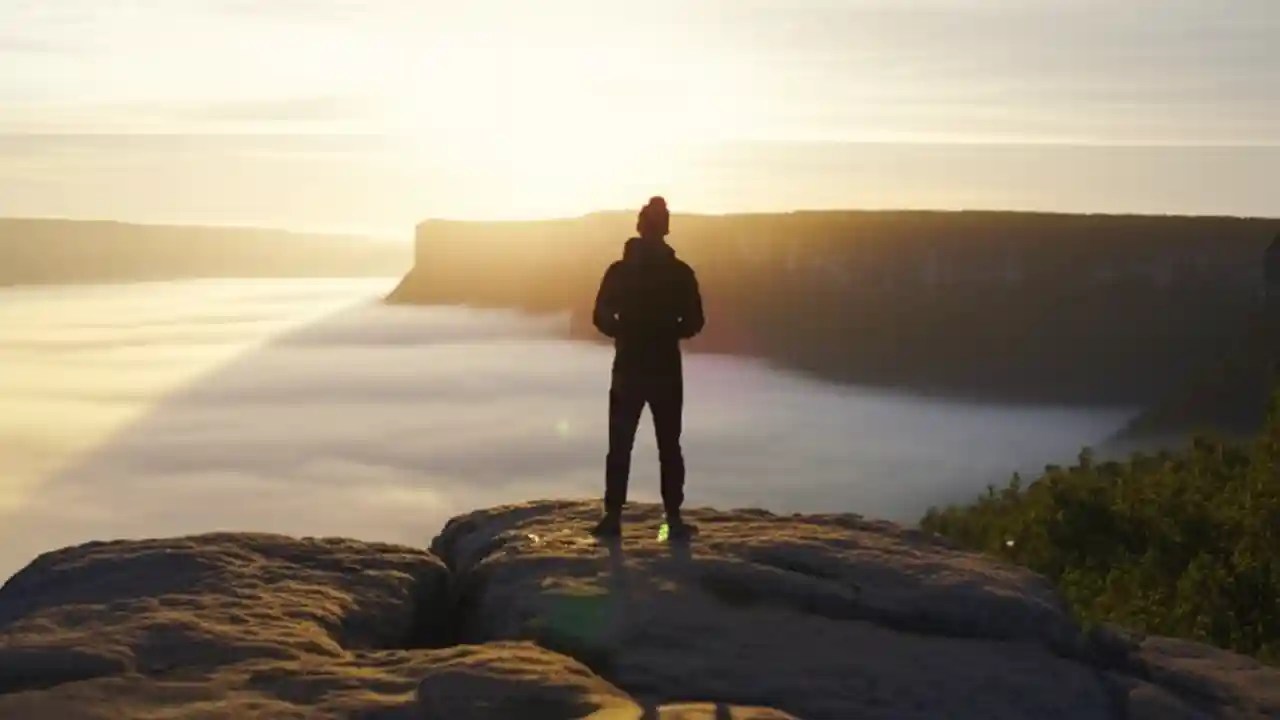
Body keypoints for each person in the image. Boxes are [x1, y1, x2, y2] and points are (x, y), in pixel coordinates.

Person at [590, 196, 704, 538]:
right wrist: (668, 331)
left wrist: (623, 331)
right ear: (665, 229)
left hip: (628, 366)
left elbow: (600, 315)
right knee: (669, 445)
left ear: (640, 227)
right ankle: (672, 519)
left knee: (620, 444)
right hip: (665, 367)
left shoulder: (620, 271)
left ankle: (613, 517)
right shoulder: (680, 273)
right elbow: (695, 321)